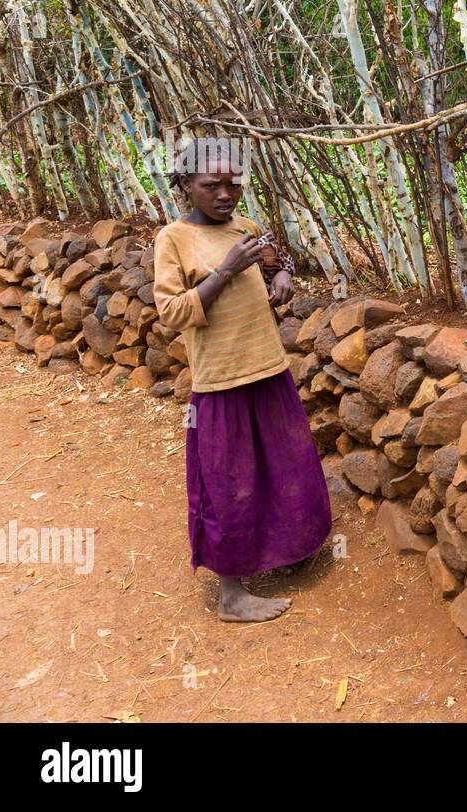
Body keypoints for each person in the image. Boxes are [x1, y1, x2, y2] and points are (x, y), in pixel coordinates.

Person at [152, 137, 331, 622]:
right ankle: (231, 593)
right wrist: (227, 271)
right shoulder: (174, 238)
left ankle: (288, 553)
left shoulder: (245, 227)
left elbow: (277, 258)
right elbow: (171, 312)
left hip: (268, 369)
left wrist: (282, 277)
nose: (226, 194)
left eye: (234, 184)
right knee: (228, 482)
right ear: (186, 185)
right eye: (212, 185)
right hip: (220, 381)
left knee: (285, 465)